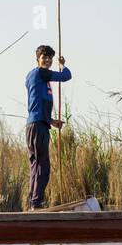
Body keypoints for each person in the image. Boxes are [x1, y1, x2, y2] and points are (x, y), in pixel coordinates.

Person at [24, 45, 72, 209]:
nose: (47, 60)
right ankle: (36, 203)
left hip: (36, 125)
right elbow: (66, 76)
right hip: (37, 127)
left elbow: (38, 105)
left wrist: (52, 122)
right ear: (37, 59)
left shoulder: (36, 77)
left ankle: (33, 202)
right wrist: (62, 65)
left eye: (50, 58)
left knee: (36, 165)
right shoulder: (40, 73)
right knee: (42, 166)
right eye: (44, 57)